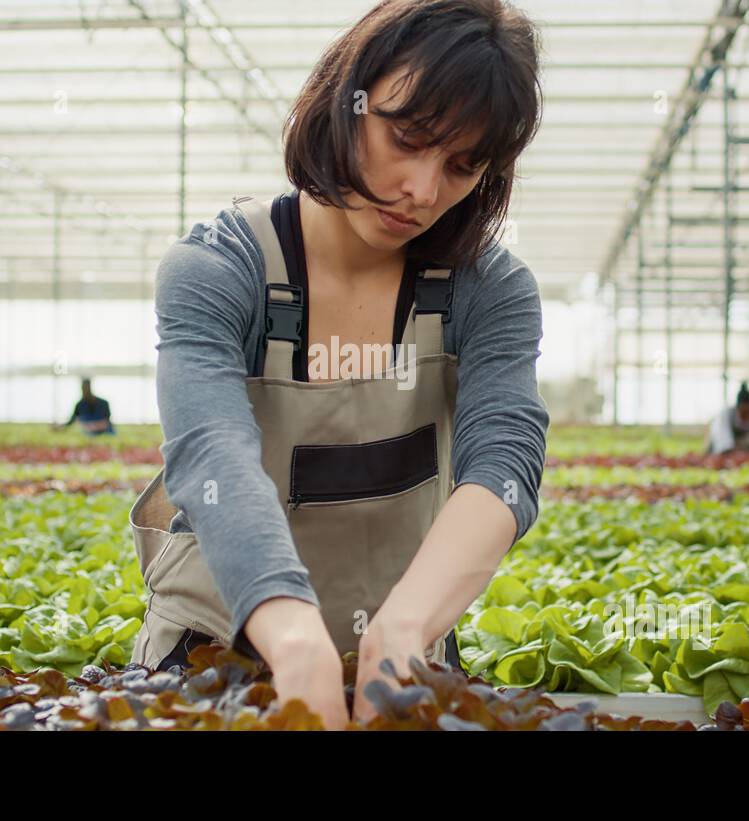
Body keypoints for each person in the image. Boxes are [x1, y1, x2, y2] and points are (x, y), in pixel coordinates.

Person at [128, 0, 548, 729]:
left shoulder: (490, 292)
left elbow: (503, 463)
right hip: (205, 666)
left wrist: (402, 631)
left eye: (461, 165)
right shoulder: (217, 270)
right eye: (407, 137)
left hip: (399, 672)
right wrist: (294, 638)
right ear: (345, 97)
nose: (423, 190)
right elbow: (212, 456)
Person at [706, 382, 749, 454]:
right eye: (743, 413)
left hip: (743, 444)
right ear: (737, 408)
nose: (746, 416)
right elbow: (724, 443)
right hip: (722, 443)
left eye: (748, 412)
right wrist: (732, 452)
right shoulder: (725, 415)